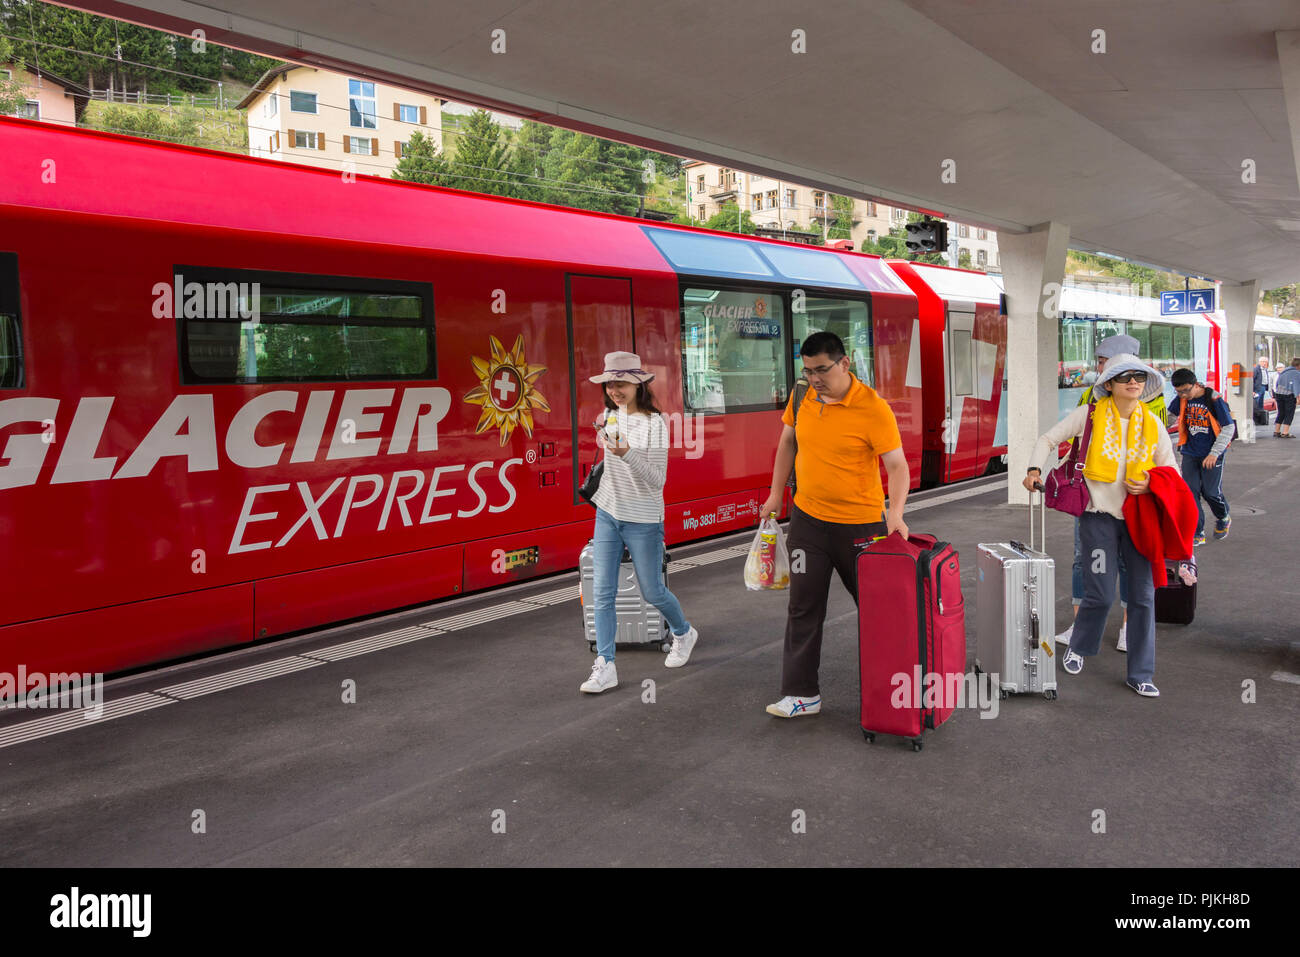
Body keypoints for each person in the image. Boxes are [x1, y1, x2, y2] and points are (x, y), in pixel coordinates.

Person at [758, 331, 910, 718]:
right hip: (808, 522)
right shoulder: (801, 397)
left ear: (846, 362)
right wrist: (776, 494)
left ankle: (895, 691)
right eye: (808, 371)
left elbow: (897, 465)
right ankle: (801, 694)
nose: (815, 379)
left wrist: (895, 514)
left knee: (879, 610)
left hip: (861, 529)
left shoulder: (873, 408)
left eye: (822, 369)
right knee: (803, 607)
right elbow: (787, 443)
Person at [1025, 354, 1174, 697]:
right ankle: (1079, 645)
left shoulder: (1152, 425)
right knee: (1101, 593)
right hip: (1097, 518)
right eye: (1125, 377)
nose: (1133, 382)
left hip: (1140, 520)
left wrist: (1152, 484)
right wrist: (1033, 469)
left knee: (1143, 597)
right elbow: (1048, 439)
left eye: (1139, 377)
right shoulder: (1090, 415)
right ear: (1109, 385)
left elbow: (1171, 470)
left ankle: (1140, 673)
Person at [580, 352, 698, 694]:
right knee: (602, 591)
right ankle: (605, 664)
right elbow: (612, 468)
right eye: (610, 384)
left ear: (638, 384)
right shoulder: (609, 415)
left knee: (652, 590)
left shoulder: (654, 424)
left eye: (622, 383)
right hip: (607, 512)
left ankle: (683, 632)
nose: (615, 390)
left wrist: (624, 452)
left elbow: (657, 479)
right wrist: (607, 441)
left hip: (643, 519)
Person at [1056, 334, 1166, 653]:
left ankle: (1128, 628)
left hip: (1134, 498)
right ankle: (1081, 623)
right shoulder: (1093, 394)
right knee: (1083, 560)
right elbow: (1079, 435)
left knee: (1129, 565)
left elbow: (1157, 450)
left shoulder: (1149, 397)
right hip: (1093, 496)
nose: (1098, 367)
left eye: (1103, 361)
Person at [1167, 369, 1235, 546]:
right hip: (1190, 452)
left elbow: (1228, 427)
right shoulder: (1182, 399)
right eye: (1179, 392)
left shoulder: (1213, 399)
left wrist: (1214, 453)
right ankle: (1197, 531)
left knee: (1211, 493)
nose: (1183, 395)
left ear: (1196, 385)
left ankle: (1223, 516)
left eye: (1186, 390)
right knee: (1190, 493)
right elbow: (1169, 417)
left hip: (1212, 453)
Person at [1273, 357, 1300, 438]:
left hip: (1278, 394)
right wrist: (1298, 397)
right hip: (1289, 395)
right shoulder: (1296, 373)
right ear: (1298, 365)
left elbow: (1277, 383)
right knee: (1289, 413)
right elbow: (1296, 386)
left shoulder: (1284, 371)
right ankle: (1285, 432)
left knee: (1281, 412)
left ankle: (1276, 431)